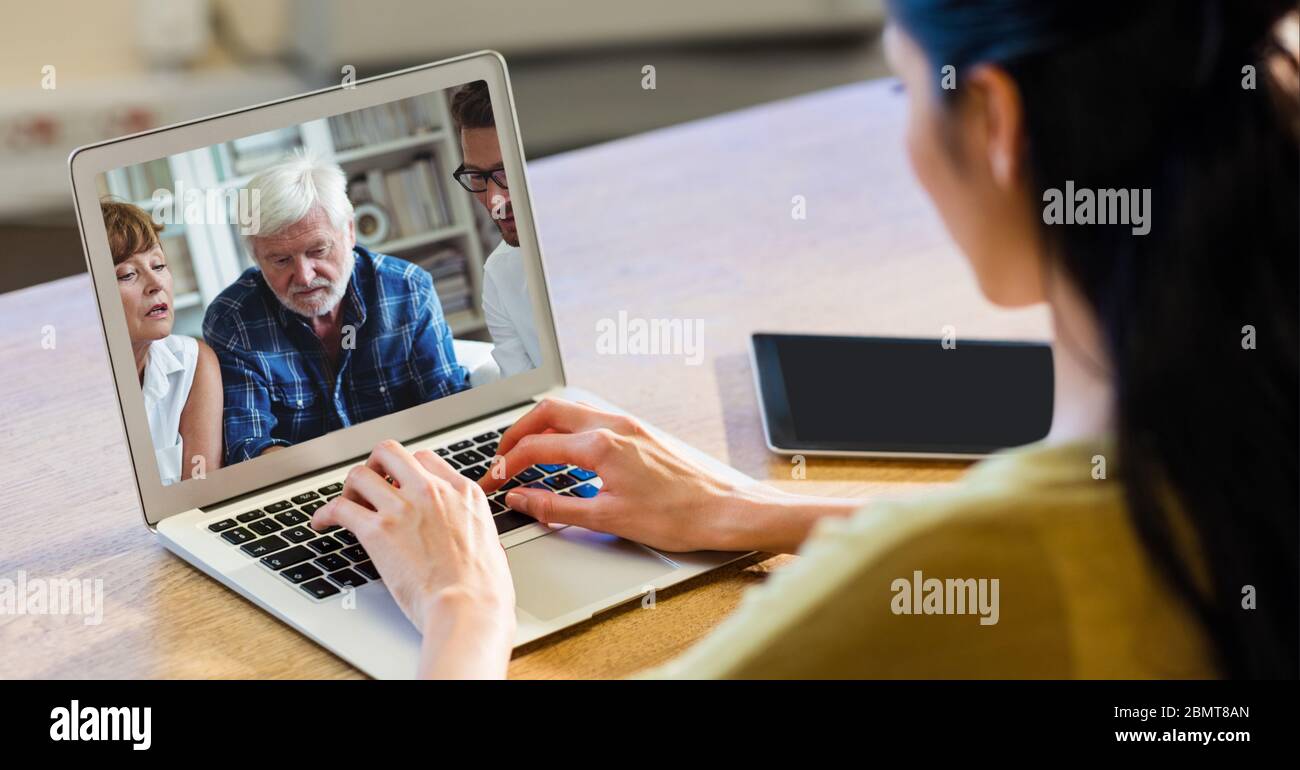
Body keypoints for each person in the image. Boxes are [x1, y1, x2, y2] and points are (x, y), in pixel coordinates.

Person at [310, 0, 1299, 679]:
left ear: (996, 124)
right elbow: (1062, 528)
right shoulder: (1232, 448)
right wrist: (755, 506)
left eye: (901, 91)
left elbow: (1020, 551)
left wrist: (460, 599)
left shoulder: (909, 596)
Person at [203, 153, 468, 465]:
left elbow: (452, 409)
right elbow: (248, 447)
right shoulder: (233, 320)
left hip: (413, 473)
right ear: (257, 258)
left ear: (350, 232)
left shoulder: (408, 290)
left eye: (317, 250)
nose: (304, 276)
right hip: (305, 490)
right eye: (280, 260)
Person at [101, 201, 223, 486]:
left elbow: (201, 494)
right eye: (128, 274)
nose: (156, 282)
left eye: (158, 265)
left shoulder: (194, 362)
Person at [450, 81, 541, 378]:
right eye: (477, 176)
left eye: (508, 172)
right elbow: (530, 396)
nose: (494, 201)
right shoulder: (500, 274)